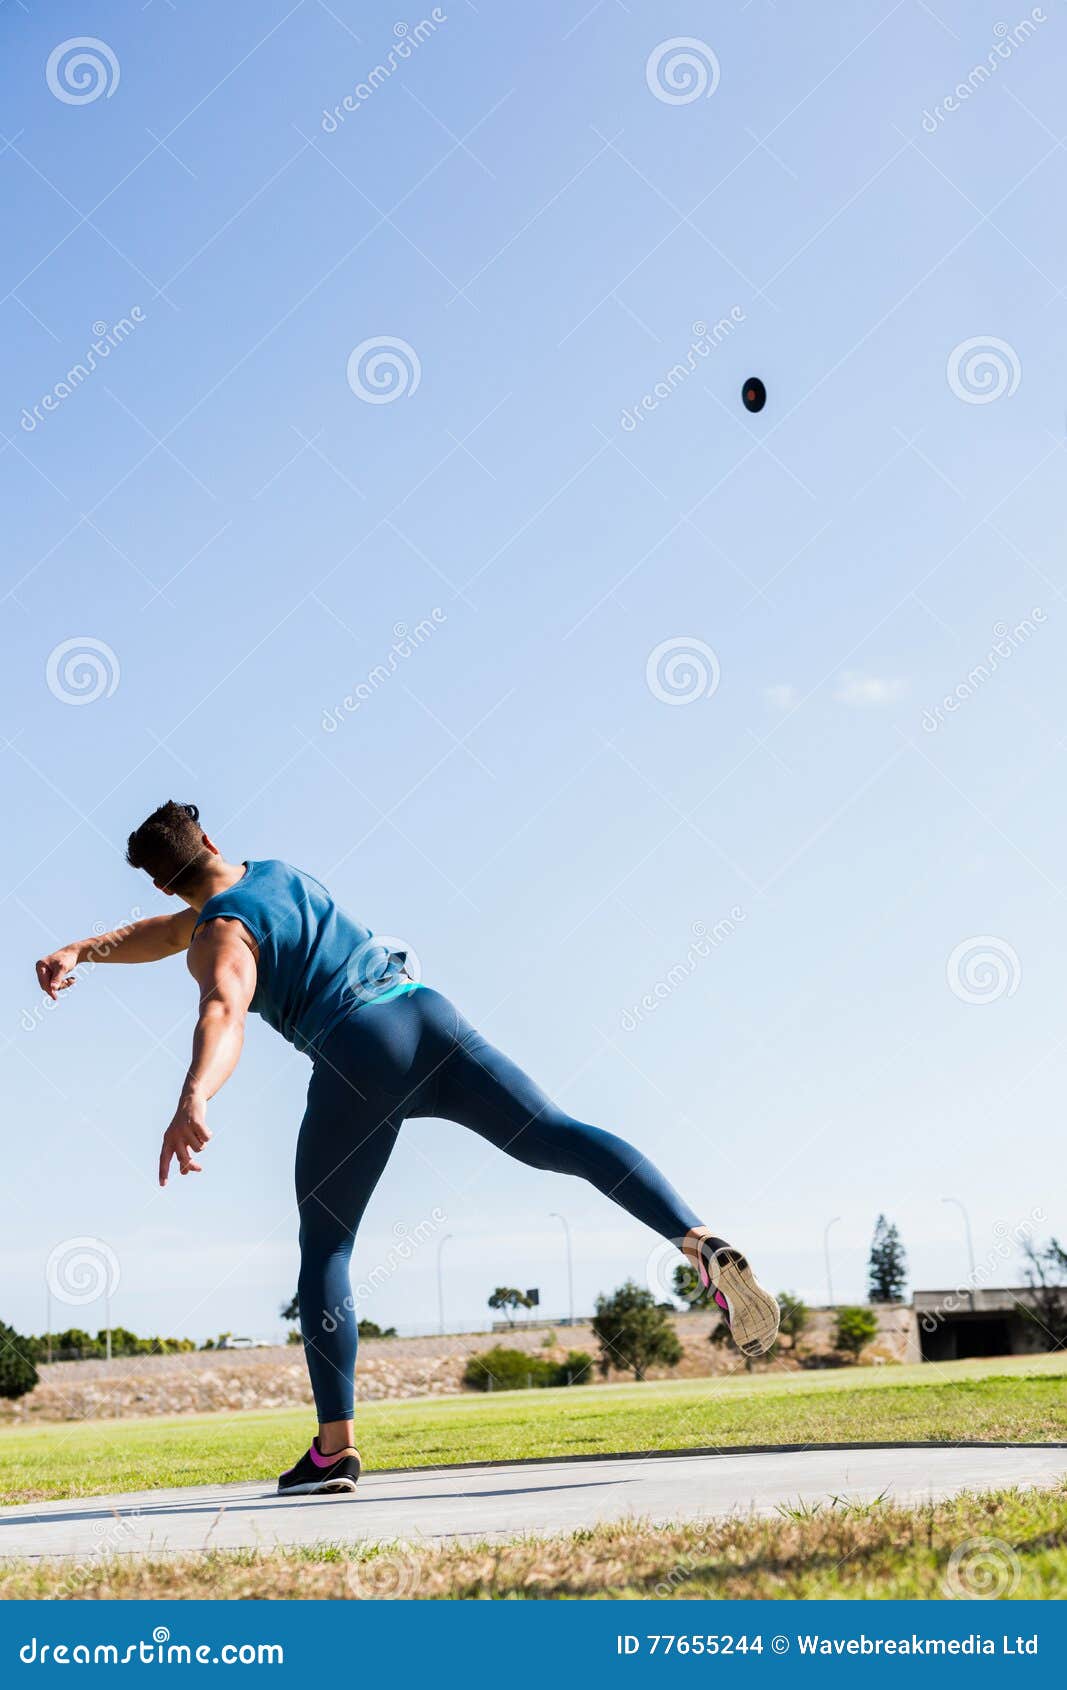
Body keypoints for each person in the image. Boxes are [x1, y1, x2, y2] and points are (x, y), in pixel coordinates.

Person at [36, 801, 780, 1497]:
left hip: (360, 1051)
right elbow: (168, 931)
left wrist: (194, 1094)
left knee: (324, 1248)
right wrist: (84, 950)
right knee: (553, 1136)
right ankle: (696, 1238)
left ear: (162, 878)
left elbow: (223, 1005)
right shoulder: (276, 875)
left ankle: (335, 1447)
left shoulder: (219, 936)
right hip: (424, 1011)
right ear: (213, 844)